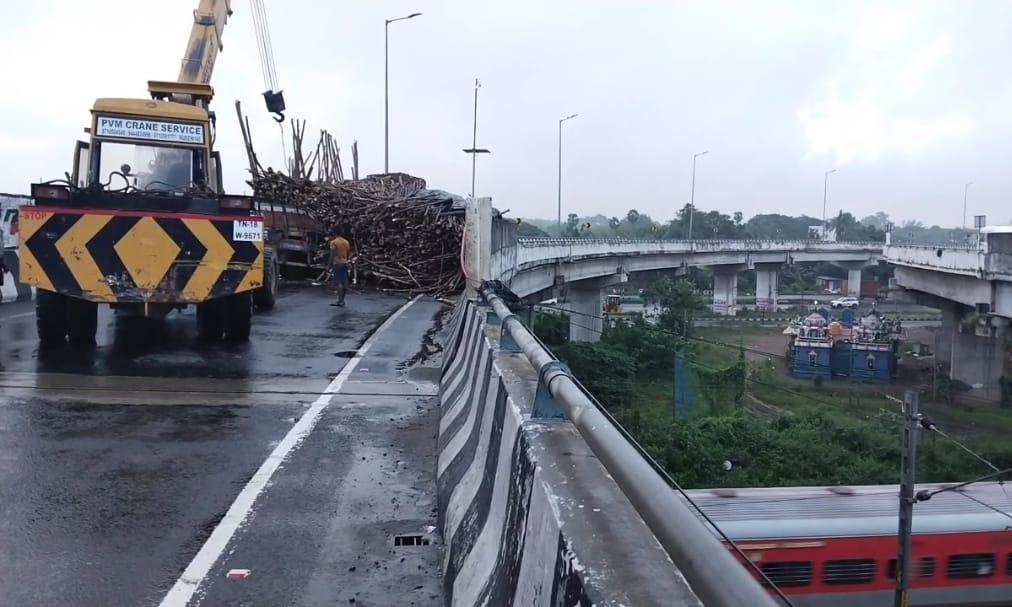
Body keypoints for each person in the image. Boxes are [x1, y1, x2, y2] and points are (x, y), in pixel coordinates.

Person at [328, 229, 351, 307]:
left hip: (337, 263)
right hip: (345, 262)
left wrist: (329, 264)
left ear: (334, 233)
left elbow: (332, 254)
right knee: (344, 282)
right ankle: (342, 300)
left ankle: (340, 301)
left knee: (338, 283)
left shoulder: (334, 242)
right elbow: (348, 253)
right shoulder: (346, 242)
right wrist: (346, 261)